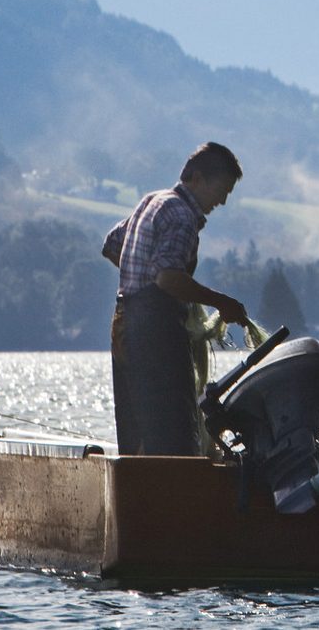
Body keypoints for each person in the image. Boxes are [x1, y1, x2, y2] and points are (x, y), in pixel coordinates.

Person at [108, 141, 250, 455]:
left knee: (137, 431)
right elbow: (168, 277)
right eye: (222, 189)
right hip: (154, 334)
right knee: (172, 435)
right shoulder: (183, 216)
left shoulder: (152, 201)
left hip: (124, 325)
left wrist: (141, 273)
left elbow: (112, 244)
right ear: (197, 179)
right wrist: (221, 302)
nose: (223, 201)